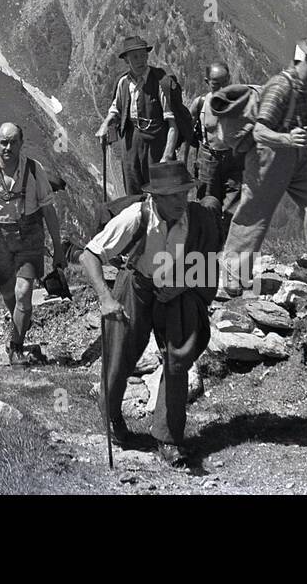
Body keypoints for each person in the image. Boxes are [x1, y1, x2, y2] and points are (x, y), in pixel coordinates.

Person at [79, 159, 221, 467]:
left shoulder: (197, 220)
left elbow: (208, 267)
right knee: (120, 357)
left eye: (185, 193)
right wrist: (105, 299)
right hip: (137, 286)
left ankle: (168, 439)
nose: (181, 201)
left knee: (177, 359)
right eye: (173, 196)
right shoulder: (136, 216)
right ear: (155, 197)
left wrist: (183, 285)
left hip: (176, 291)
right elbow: (89, 254)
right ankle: (113, 418)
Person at [220, 25, 307, 296]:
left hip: (298, 156)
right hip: (269, 156)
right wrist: (287, 140)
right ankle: (232, 274)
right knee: (255, 213)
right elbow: (259, 131)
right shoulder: (279, 87)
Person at [0, 123, 65, 365]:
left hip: (30, 238)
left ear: (21, 143)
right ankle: (20, 320)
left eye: (13, 142)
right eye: (3, 142)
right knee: (8, 292)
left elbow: (48, 210)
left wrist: (58, 248)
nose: (8, 147)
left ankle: (15, 346)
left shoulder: (34, 170)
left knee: (23, 292)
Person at [96, 37, 187, 199]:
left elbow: (172, 125)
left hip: (156, 145)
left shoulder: (160, 82)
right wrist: (105, 125)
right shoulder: (123, 82)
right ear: (126, 60)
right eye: (135, 57)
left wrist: (166, 155)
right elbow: (115, 109)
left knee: (161, 194)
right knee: (133, 191)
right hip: (131, 145)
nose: (140, 60)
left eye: (143, 55)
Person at [186, 63, 246, 238]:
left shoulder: (239, 101)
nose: (222, 88)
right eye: (216, 84)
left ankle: (227, 246)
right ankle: (208, 245)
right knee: (207, 204)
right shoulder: (201, 104)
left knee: (234, 205)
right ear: (207, 82)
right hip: (209, 159)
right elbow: (188, 131)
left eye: (225, 82)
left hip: (234, 158)